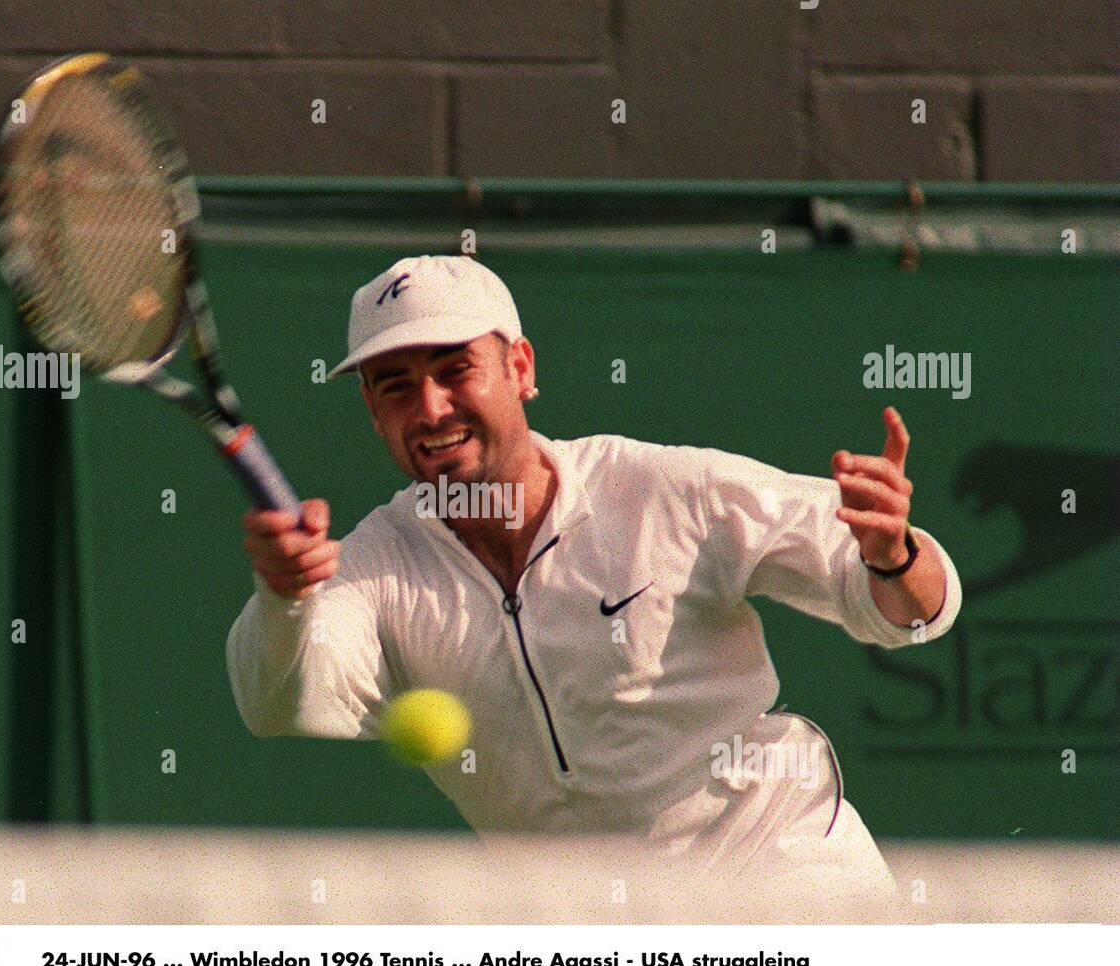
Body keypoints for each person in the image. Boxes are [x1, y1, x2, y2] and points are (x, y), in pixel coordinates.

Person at [226, 254, 961, 899]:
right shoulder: (376, 567)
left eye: (456, 370)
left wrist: (891, 555)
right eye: (395, 386)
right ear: (372, 410)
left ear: (520, 369)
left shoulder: (669, 490)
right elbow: (275, 703)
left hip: (778, 865)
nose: (431, 407)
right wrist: (285, 598)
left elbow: (911, 613)